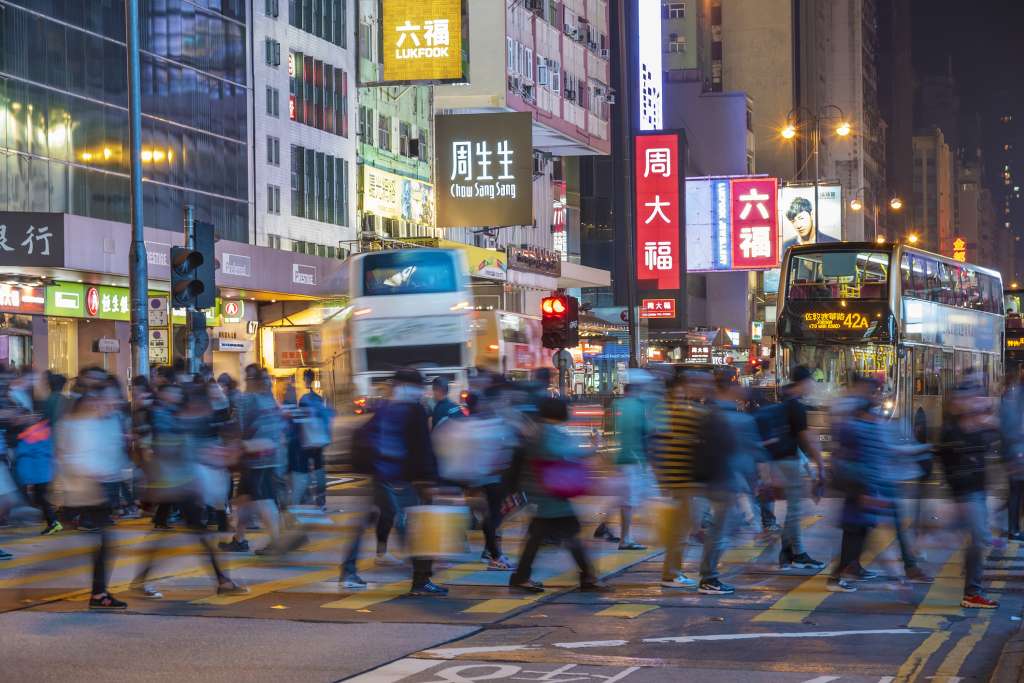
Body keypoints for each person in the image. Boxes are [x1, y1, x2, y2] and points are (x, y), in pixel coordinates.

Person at [132, 380, 246, 598]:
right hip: (174, 483)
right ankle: (222, 581)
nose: (175, 396)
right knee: (195, 533)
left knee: (184, 533)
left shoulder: (170, 415)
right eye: (171, 392)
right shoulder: (162, 416)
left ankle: (222, 580)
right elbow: (162, 449)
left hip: (178, 483)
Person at [341, 368, 446, 595]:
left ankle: (348, 571)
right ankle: (421, 579)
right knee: (413, 527)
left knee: (369, 521)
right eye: (419, 385)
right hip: (400, 479)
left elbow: (363, 435)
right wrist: (430, 479)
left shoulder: (384, 407)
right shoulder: (414, 409)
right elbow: (423, 448)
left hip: (379, 476)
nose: (421, 390)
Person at [509, 397, 611, 594]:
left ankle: (522, 577)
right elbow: (560, 451)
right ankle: (588, 577)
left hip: (543, 494)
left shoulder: (540, 430)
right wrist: (593, 447)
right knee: (568, 534)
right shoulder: (548, 432)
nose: (570, 412)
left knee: (539, 536)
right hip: (550, 494)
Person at [54, 368, 128, 609]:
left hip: (95, 488)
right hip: (84, 488)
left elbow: (112, 454)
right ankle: (98, 593)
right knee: (105, 541)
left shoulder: (106, 421)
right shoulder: (78, 421)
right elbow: (68, 456)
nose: (113, 404)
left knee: (104, 542)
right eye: (108, 399)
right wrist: (93, 472)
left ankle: (98, 593)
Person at [696, 367, 769, 595]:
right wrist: (758, 479)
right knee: (720, 530)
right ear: (729, 387)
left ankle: (709, 574)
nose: (741, 389)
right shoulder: (737, 419)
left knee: (722, 527)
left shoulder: (706, 413)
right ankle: (709, 578)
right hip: (726, 481)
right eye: (737, 384)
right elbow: (750, 453)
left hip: (712, 479)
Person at [938, 381, 1001, 608]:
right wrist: (957, 499)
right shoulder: (950, 431)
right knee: (979, 538)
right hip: (966, 493)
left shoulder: (978, 427)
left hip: (978, 491)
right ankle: (972, 591)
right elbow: (948, 467)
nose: (975, 402)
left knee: (978, 539)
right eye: (969, 398)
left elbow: (1000, 436)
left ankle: (972, 585)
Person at [761, 366, 826, 571]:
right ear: (804, 382)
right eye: (811, 382)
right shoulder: (796, 406)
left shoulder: (784, 402)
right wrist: (820, 465)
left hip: (781, 462)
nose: (812, 386)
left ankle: (792, 553)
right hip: (788, 463)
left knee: (795, 510)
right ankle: (793, 553)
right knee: (796, 511)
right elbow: (806, 438)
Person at [652, 371, 711, 589]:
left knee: (682, 529)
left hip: (681, 480)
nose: (703, 387)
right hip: (684, 480)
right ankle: (672, 574)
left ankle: (672, 572)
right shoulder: (686, 413)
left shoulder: (674, 412)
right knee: (681, 530)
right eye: (698, 383)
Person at [220, 364, 286, 554]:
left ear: (250, 379)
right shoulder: (269, 399)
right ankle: (239, 539)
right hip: (268, 454)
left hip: (255, 457)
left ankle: (277, 542)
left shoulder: (247, 399)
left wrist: (231, 444)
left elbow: (238, 426)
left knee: (264, 499)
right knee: (243, 499)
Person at [611, 371, 656, 550]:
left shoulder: (617, 404)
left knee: (628, 500)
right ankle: (626, 539)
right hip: (635, 459)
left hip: (620, 458)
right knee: (630, 501)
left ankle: (626, 536)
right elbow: (650, 430)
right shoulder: (639, 406)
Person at [293, 369, 332, 508]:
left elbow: (300, 420)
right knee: (319, 468)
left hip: (307, 440)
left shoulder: (303, 399)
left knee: (304, 469)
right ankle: (321, 499)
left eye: (304, 378)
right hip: (319, 439)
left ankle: (307, 496)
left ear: (306, 379)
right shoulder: (319, 398)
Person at [1000, 369, 1024, 541]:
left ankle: (1013, 528)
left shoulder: (1013, 397)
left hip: (1015, 453)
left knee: (1016, 492)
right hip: (1017, 453)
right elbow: (1011, 430)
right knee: (1016, 492)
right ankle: (1013, 530)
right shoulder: (1015, 399)